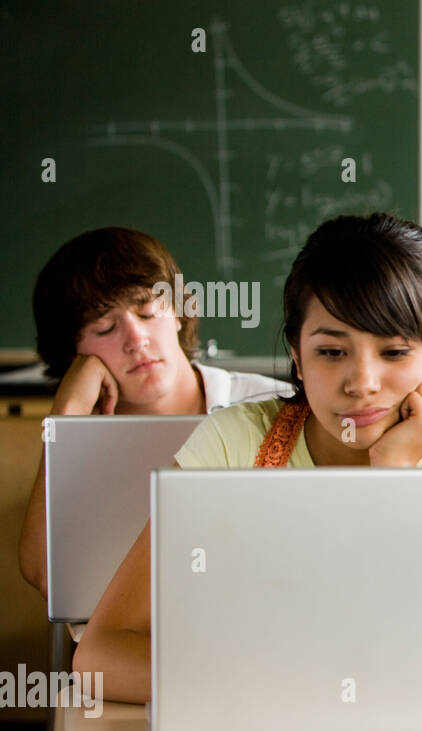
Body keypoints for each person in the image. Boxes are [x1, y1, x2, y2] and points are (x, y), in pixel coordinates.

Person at [74, 212, 422, 731]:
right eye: (331, 351)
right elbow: (101, 655)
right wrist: (296, 688)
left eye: (394, 351)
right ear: (296, 354)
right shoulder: (231, 444)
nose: (362, 382)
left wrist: (394, 472)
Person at [18, 227, 290, 599]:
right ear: (72, 352)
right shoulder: (79, 433)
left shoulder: (276, 404)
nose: (136, 340)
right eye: (105, 327)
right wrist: (66, 414)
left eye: (147, 310)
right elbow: (48, 576)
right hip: (123, 640)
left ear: (178, 311)